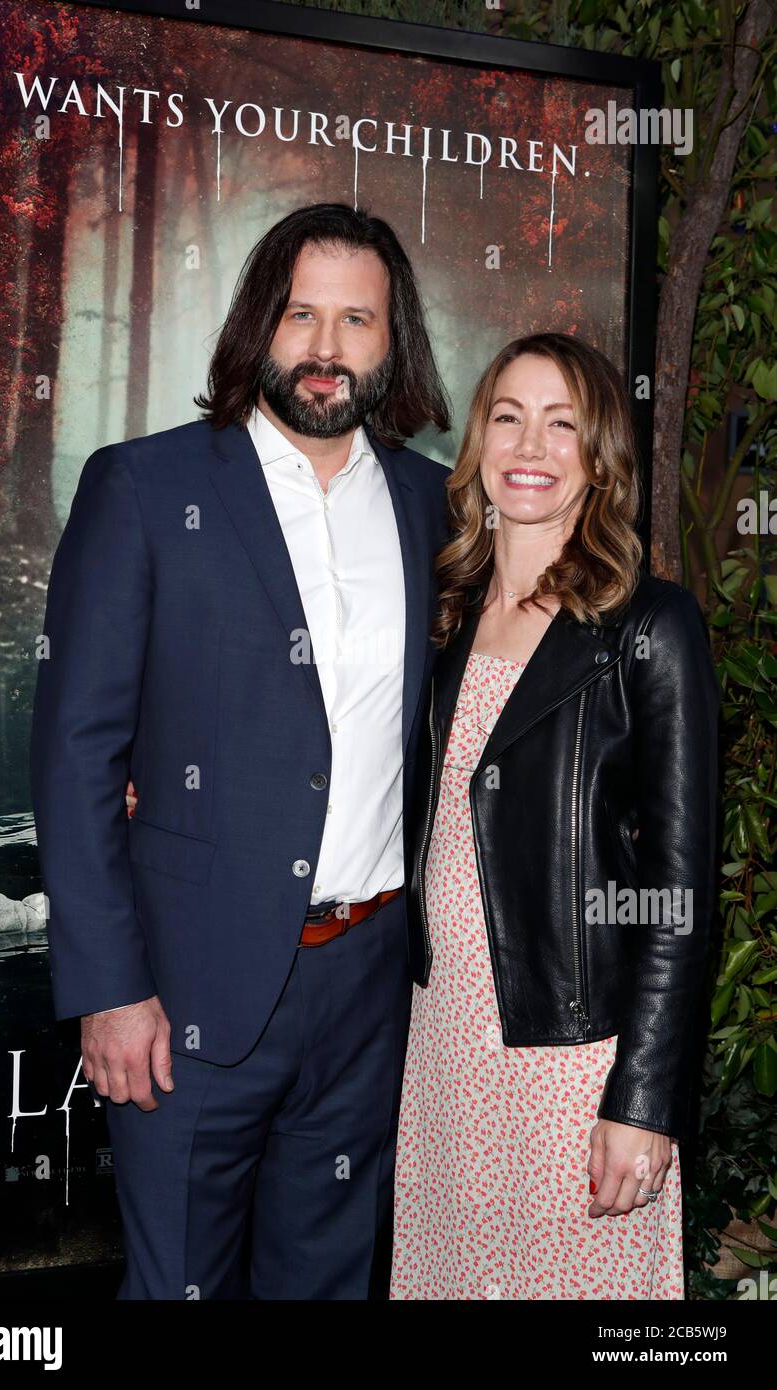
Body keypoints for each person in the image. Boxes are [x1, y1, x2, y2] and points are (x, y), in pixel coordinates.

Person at [30, 203, 451, 1300]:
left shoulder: (428, 502)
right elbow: (76, 755)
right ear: (256, 323)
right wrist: (108, 988)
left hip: (367, 982)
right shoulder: (145, 487)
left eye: (355, 318)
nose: (325, 345)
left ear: (390, 340)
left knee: (324, 1283)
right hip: (185, 985)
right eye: (299, 312)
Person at [391, 332, 719, 1300]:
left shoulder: (647, 627)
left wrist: (643, 1101)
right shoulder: (438, 616)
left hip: (574, 1055)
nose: (529, 444)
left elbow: (676, 896)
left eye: (561, 422)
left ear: (597, 459)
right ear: (476, 447)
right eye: (506, 416)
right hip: (439, 1042)